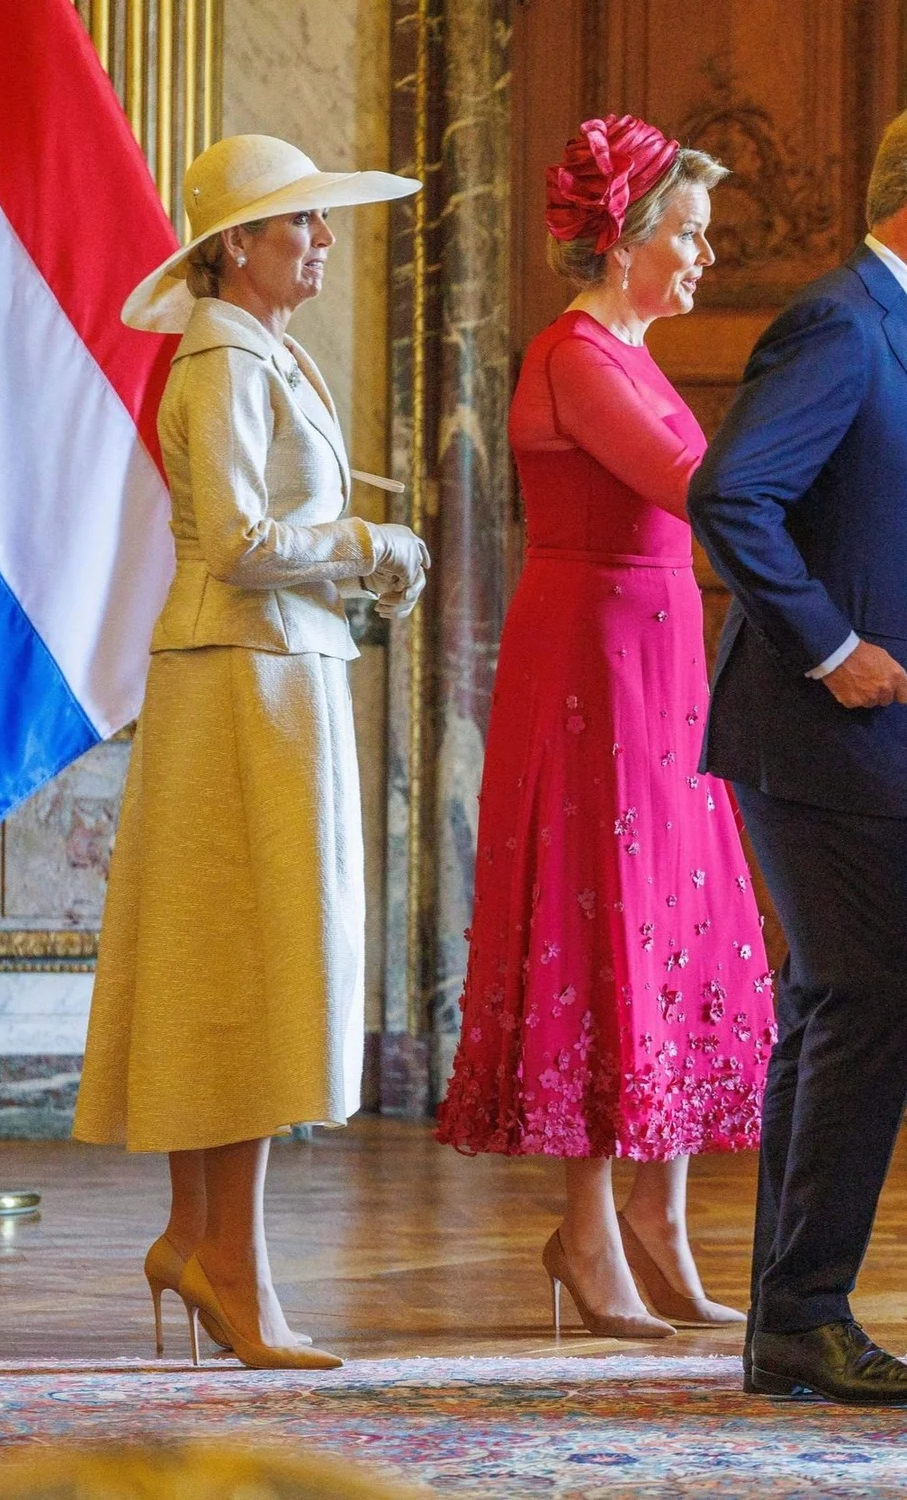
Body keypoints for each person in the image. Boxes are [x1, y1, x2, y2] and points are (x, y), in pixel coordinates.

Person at [72, 134, 427, 1371]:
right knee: (247, 967)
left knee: (243, 967)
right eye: (300, 226)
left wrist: (356, 561)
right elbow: (233, 539)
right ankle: (225, 1262)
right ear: (235, 247)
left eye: (322, 225)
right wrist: (372, 548)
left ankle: (200, 1241)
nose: (321, 242)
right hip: (241, 680)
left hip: (274, 679)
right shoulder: (223, 357)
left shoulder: (263, 350)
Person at [436, 115, 775, 1340]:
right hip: (589, 663)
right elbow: (699, 491)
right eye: (684, 233)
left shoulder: (626, 348)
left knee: (673, 919)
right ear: (626, 238)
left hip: (657, 657)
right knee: (603, 916)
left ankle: (657, 1227)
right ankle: (586, 1232)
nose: (701, 258)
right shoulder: (578, 354)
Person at [688, 111, 907, 1404]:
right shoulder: (840, 321)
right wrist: (832, 647)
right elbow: (733, 491)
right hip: (819, 733)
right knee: (866, 1001)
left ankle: (792, 1314)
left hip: (869, 741)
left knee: (845, 1005)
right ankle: (805, 1313)